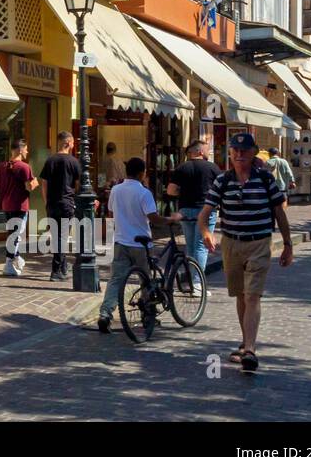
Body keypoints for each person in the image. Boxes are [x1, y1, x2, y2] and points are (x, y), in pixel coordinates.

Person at [198, 131, 294, 373]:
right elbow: (205, 212)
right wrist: (205, 232)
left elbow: (279, 212)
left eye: (244, 151)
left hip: (259, 243)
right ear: (230, 153)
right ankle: (245, 343)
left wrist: (287, 244)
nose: (239, 155)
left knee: (253, 295)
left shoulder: (265, 179)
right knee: (241, 295)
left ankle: (250, 349)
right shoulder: (223, 181)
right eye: (235, 151)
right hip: (231, 244)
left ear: (253, 153)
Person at [97, 157, 181, 332]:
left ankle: (105, 313)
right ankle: (147, 313)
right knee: (146, 281)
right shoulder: (144, 193)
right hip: (141, 244)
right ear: (142, 173)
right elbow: (153, 218)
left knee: (116, 280)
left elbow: (111, 213)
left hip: (121, 241)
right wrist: (170, 219)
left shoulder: (116, 190)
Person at [167, 139, 221, 273]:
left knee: (191, 246)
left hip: (185, 210)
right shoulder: (212, 167)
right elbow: (222, 189)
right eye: (207, 149)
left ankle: (192, 280)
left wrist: (183, 191)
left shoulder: (182, 167)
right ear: (201, 151)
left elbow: (170, 190)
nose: (208, 152)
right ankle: (198, 284)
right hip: (206, 210)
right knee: (201, 246)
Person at [0, 140, 38, 276]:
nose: (27, 151)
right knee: (15, 235)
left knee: (12, 233)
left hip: (6, 205)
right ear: (20, 150)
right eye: (26, 149)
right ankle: (8, 264)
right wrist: (35, 183)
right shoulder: (24, 167)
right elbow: (29, 187)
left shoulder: (2, 166)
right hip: (20, 206)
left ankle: (17, 257)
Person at [40, 131, 81, 282]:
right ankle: (56, 270)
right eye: (72, 142)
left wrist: (46, 201)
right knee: (62, 238)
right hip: (66, 204)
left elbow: (44, 183)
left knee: (57, 236)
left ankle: (63, 267)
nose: (73, 144)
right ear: (68, 143)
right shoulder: (73, 161)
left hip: (52, 204)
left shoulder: (50, 160)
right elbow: (77, 184)